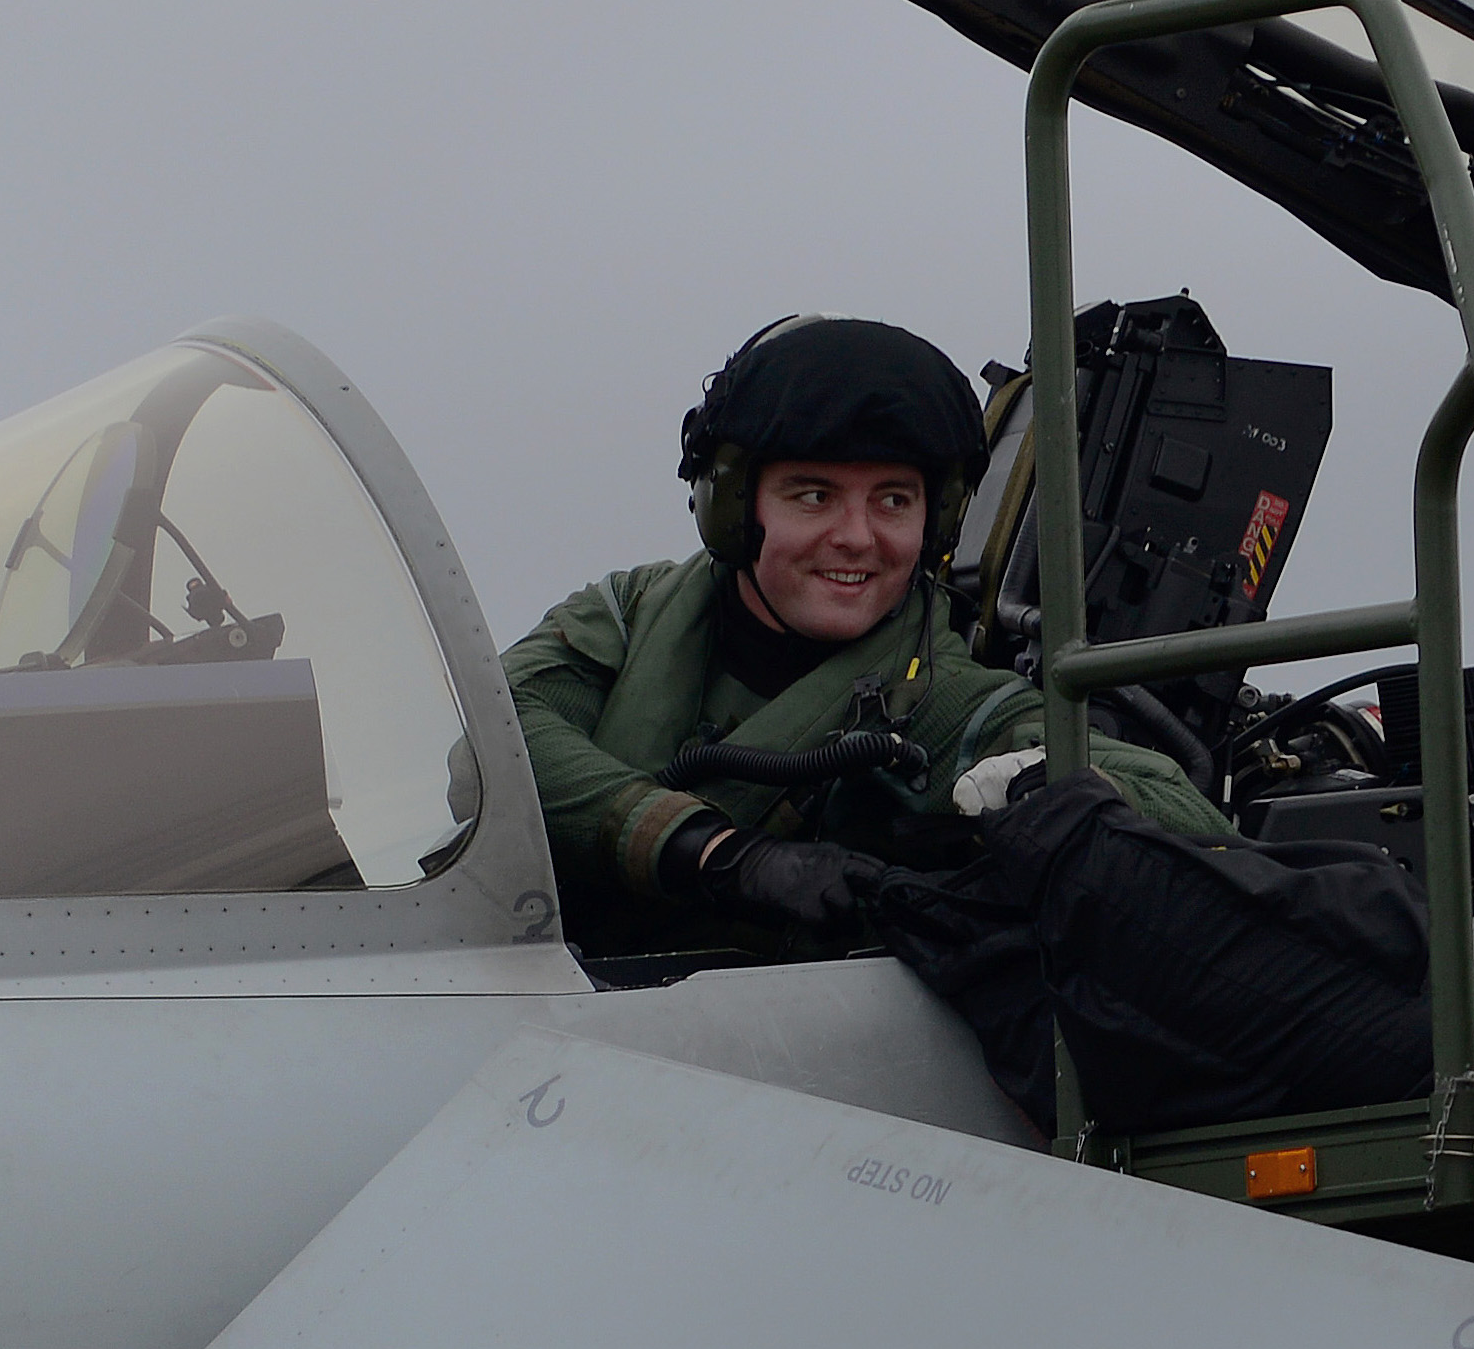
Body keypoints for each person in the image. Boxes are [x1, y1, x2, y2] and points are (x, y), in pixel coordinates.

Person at [503, 314, 1226, 961]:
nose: (856, 537)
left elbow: (1190, 819)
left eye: (894, 500)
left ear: (937, 523)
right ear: (732, 505)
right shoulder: (630, 614)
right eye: (814, 495)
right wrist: (721, 855)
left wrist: (1055, 790)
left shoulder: (942, 702)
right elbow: (498, 738)